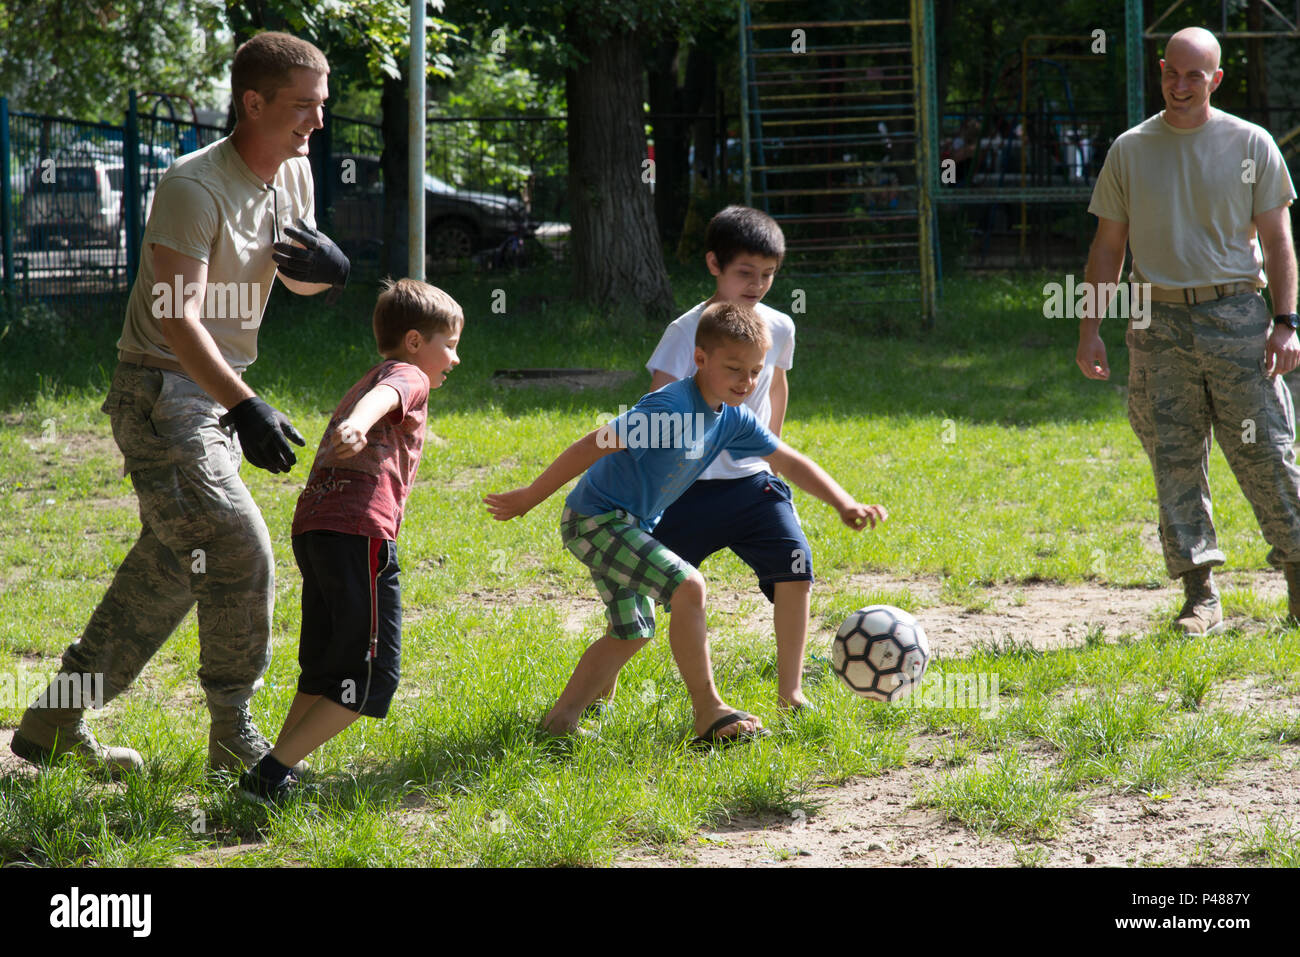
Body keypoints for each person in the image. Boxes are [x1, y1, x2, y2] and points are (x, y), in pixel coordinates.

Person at [11, 31, 352, 776]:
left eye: (321, 107)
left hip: (211, 392)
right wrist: (247, 405)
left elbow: (292, 273)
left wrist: (330, 270)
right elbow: (176, 314)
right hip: (163, 391)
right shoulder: (192, 187)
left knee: (173, 564)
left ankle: (52, 718)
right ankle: (234, 737)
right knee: (236, 545)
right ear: (252, 102)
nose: (316, 124)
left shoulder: (292, 174)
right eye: (302, 108)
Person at [484, 302, 887, 744]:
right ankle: (709, 711)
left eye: (755, 372)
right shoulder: (670, 409)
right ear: (700, 359)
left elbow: (785, 458)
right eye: (734, 368)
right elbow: (592, 444)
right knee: (688, 586)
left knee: (631, 632)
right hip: (595, 520)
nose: (746, 382)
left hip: (629, 524)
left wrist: (844, 502)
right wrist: (529, 496)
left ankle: (560, 722)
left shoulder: (732, 418)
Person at [1076, 26, 1300, 633]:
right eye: (1172, 73)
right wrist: (1089, 329)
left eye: (1194, 75)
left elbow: (1279, 240)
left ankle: (1299, 576)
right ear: (1160, 70)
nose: (1181, 85)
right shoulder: (1131, 149)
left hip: (1238, 317)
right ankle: (1200, 594)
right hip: (1157, 320)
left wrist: (1285, 323)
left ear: (1216, 79)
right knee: (1173, 458)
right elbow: (1107, 248)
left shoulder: (1251, 143)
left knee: (1268, 452)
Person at [240, 279, 463, 802]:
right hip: (359, 532)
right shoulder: (407, 376)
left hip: (316, 527)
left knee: (324, 666)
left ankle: (276, 769)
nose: (454, 358)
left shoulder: (369, 376)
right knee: (372, 678)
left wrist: (355, 423)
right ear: (414, 341)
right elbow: (389, 399)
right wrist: (358, 427)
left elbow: (376, 398)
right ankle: (270, 774)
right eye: (449, 344)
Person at [589, 205, 816, 715]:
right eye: (745, 273)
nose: (757, 284)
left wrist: (772, 455)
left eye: (768, 274)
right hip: (684, 488)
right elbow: (657, 401)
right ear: (714, 264)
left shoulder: (779, 326)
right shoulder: (685, 330)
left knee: (795, 570)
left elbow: (777, 384)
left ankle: (791, 691)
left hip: (752, 484)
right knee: (637, 591)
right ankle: (601, 687)